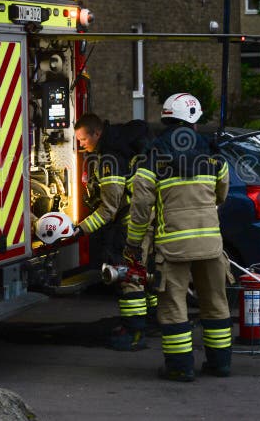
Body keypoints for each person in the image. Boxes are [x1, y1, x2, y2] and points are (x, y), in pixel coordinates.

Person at [126, 93, 231, 382]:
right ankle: (220, 364)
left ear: (166, 119)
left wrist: (134, 245)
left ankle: (180, 368)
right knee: (215, 302)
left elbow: (140, 209)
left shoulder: (153, 156)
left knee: (174, 306)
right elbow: (221, 194)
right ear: (194, 122)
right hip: (211, 245)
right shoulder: (213, 155)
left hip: (173, 248)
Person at [74, 113, 153, 351]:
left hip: (131, 225)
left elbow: (108, 209)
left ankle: (134, 333)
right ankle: (148, 323)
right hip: (143, 219)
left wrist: (79, 231)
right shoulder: (117, 145)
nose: (80, 145)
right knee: (143, 273)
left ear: (97, 133)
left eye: (82, 139)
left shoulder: (109, 159)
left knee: (130, 276)